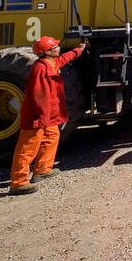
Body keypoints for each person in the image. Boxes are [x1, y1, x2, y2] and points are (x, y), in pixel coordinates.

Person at [9, 36, 86, 195]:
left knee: (52, 136)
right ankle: (18, 182)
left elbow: (64, 58)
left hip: (47, 115)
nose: (58, 48)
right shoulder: (40, 69)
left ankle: (42, 169)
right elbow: (37, 95)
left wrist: (79, 50)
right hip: (37, 116)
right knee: (28, 147)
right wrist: (41, 117)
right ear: (47, 52)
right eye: (55, 47)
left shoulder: (50, 63)